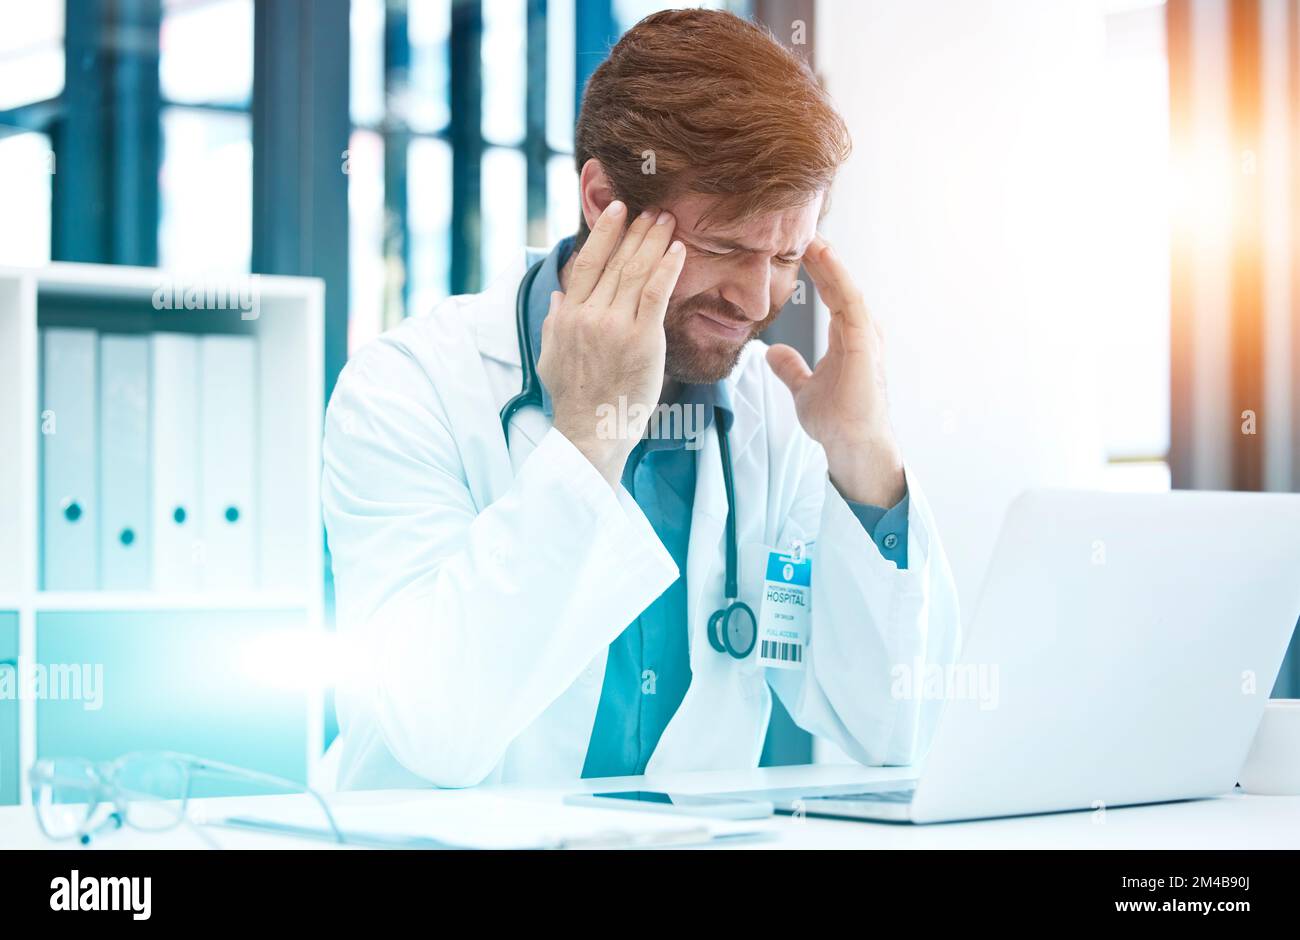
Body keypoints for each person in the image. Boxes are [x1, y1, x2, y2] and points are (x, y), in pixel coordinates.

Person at [321, 8, 960, 790]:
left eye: (786, 256)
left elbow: (892, 729)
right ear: (602, 199)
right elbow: (435, 728)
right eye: (725, 246)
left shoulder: (772, 413)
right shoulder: (408, 387)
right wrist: (588, 440)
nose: (757, 299)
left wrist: (863, 458)